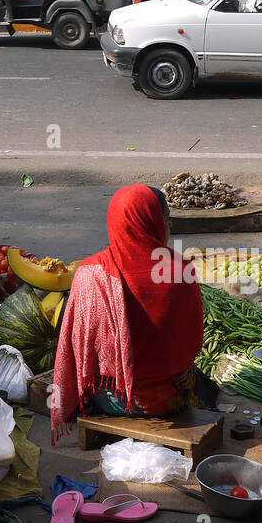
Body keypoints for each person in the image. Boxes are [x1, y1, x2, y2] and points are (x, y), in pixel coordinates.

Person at [51, 185, 204, 436]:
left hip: (115, 401)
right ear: (153, 222)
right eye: (166, 219)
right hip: (174, 398)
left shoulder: (90, 273)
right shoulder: (182, 270)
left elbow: (78, 350)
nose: (170, 227)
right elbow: (194, 345)